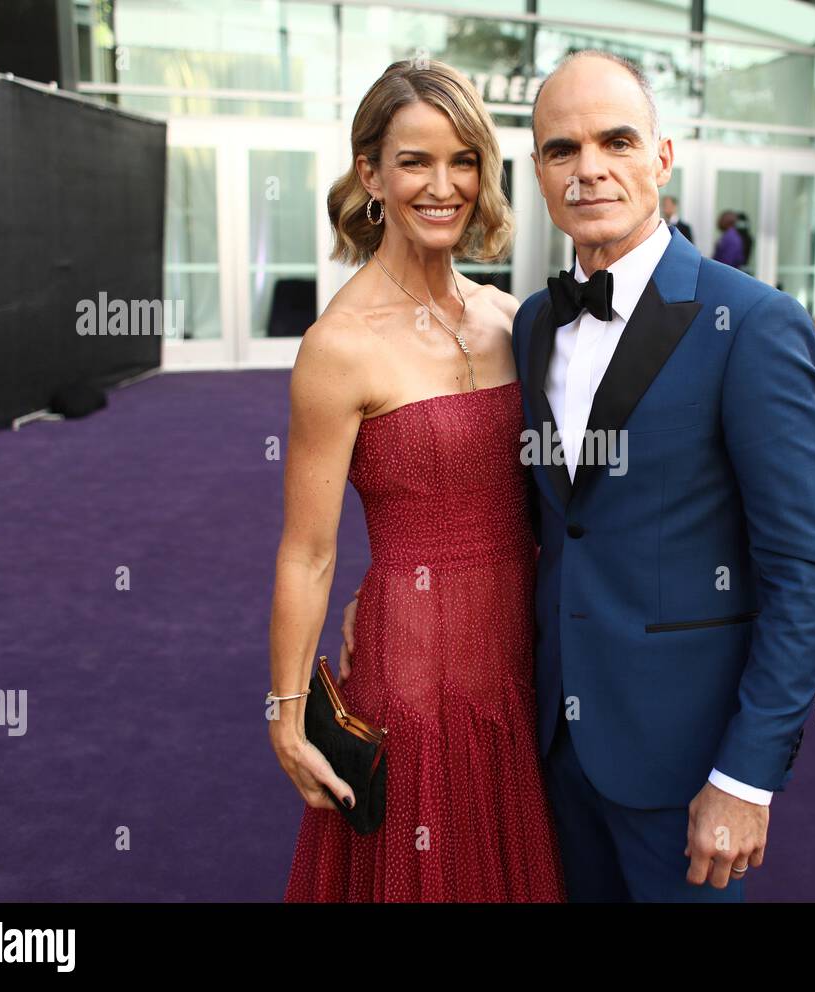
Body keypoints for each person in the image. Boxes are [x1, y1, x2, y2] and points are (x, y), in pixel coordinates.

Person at [515, 50, 815, 902]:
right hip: (555, 740)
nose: (589, 169)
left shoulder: (755, 325)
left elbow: (802, 573)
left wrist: (746, 778)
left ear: (661, 157)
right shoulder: (531, 324)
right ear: (541, 173)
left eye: (616, 141)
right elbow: (552, 525)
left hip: (688, 769)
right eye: (561, 150)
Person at [269, 59, 565, 903]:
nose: (444, 186)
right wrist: (287, 716)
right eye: (415, 161)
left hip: (525, 655)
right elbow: (307, 552)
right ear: (371, 173)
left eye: (463, 160)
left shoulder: (516, 318)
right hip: (417, 673)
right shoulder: (340, 344)